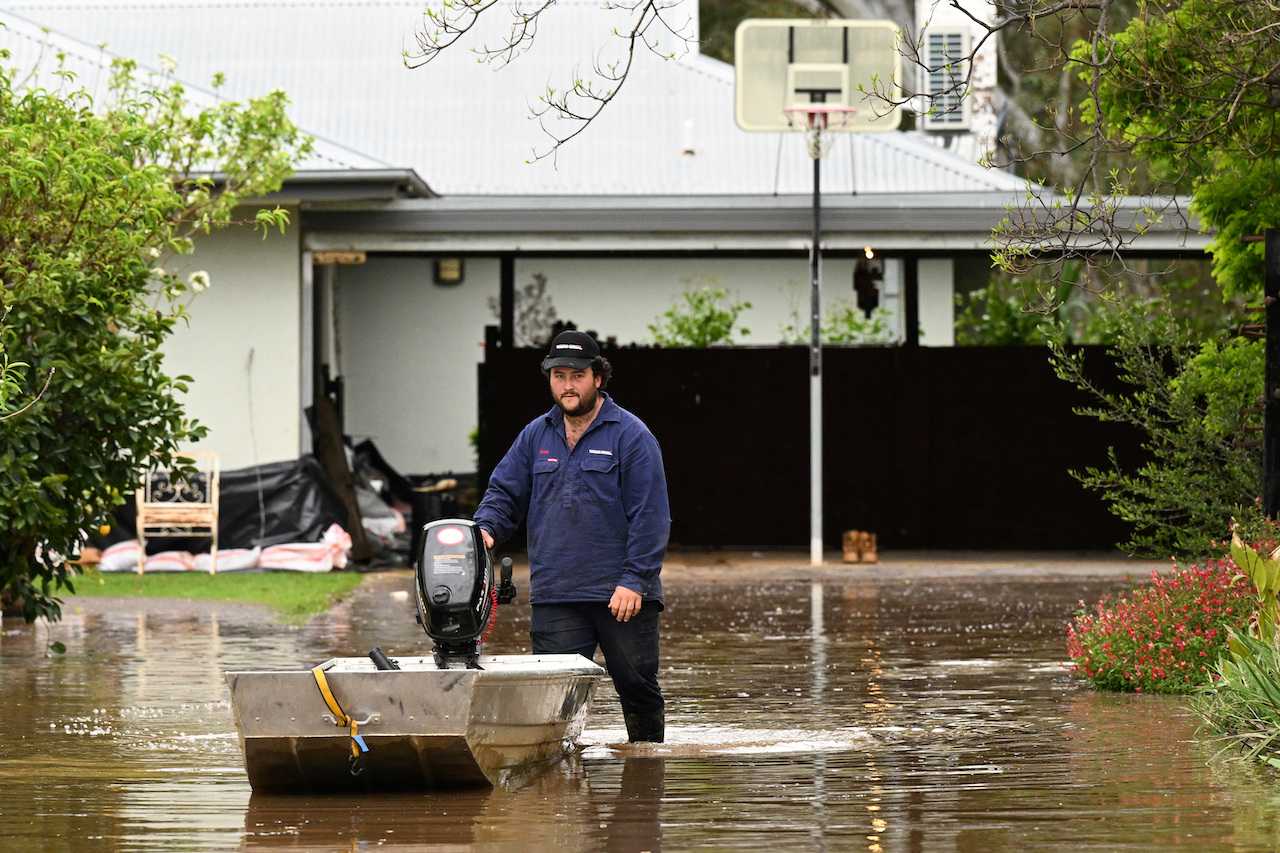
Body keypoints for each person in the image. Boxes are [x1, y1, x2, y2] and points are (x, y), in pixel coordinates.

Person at [473, 329, 671, 743]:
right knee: (554, 697)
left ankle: (646, 776)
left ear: (598, 378)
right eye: (559, 375)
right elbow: (504, 492)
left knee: (637, 690)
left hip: (622, 598)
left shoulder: (632, 437)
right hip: (557, 593)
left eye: (577, 375)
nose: (568, 384)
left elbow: (651, 517)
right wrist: (486, 530)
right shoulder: (535, 436)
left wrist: (634, 580)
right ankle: (558, 787)